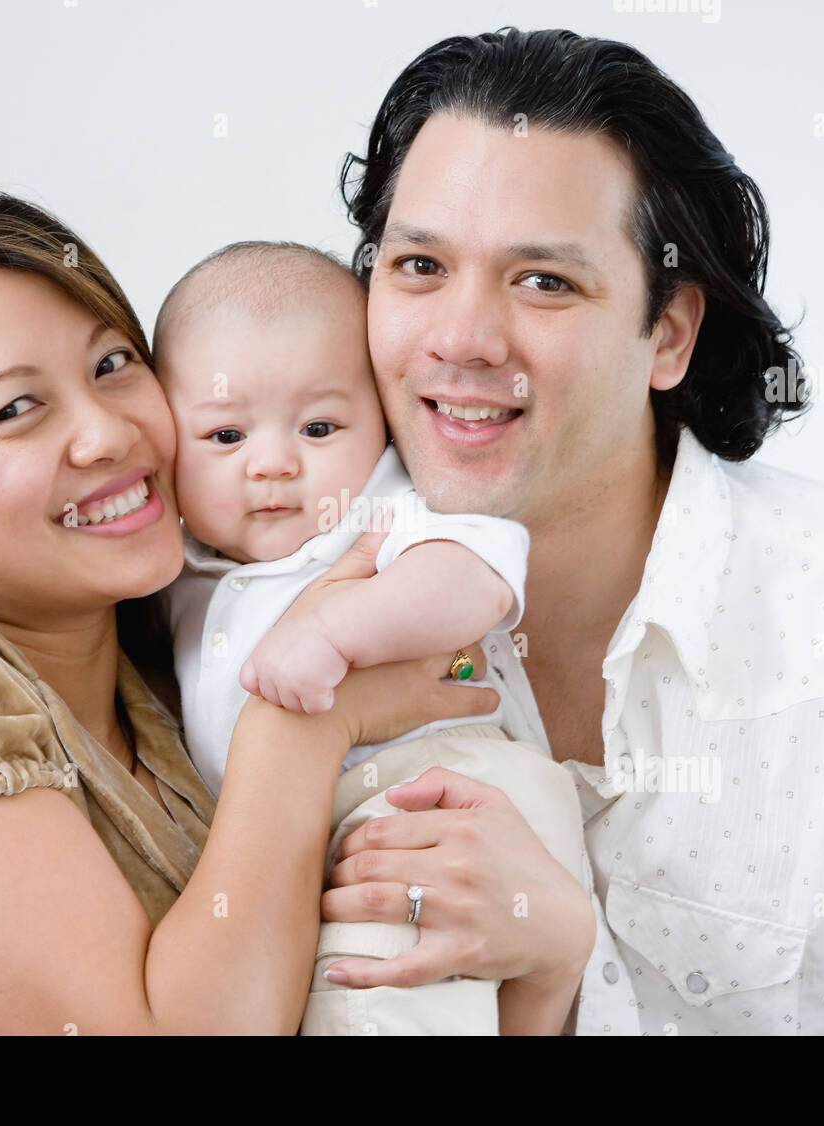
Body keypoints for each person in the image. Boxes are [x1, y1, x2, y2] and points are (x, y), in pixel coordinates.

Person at [0, 188, 591, 1036]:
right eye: (14, 410)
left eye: (110, 366)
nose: (106, 432)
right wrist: (300, 730)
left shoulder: (172, 693)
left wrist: (552, 957)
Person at [320, 28, 824, 1034]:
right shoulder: (298, 605)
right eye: (419, 264)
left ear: (669, 333)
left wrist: (576, 977)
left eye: (544, 281)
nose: (461, 339)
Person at [151, 240, 586, 1034]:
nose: (274, 464)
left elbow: (474, 579)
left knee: (382, 997)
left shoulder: (391, 504)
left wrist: (333, 627)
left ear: (380, 420)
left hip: (433, 797)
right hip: (317, 825)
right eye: (224, 437)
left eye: (319, 426)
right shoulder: (180, 565)